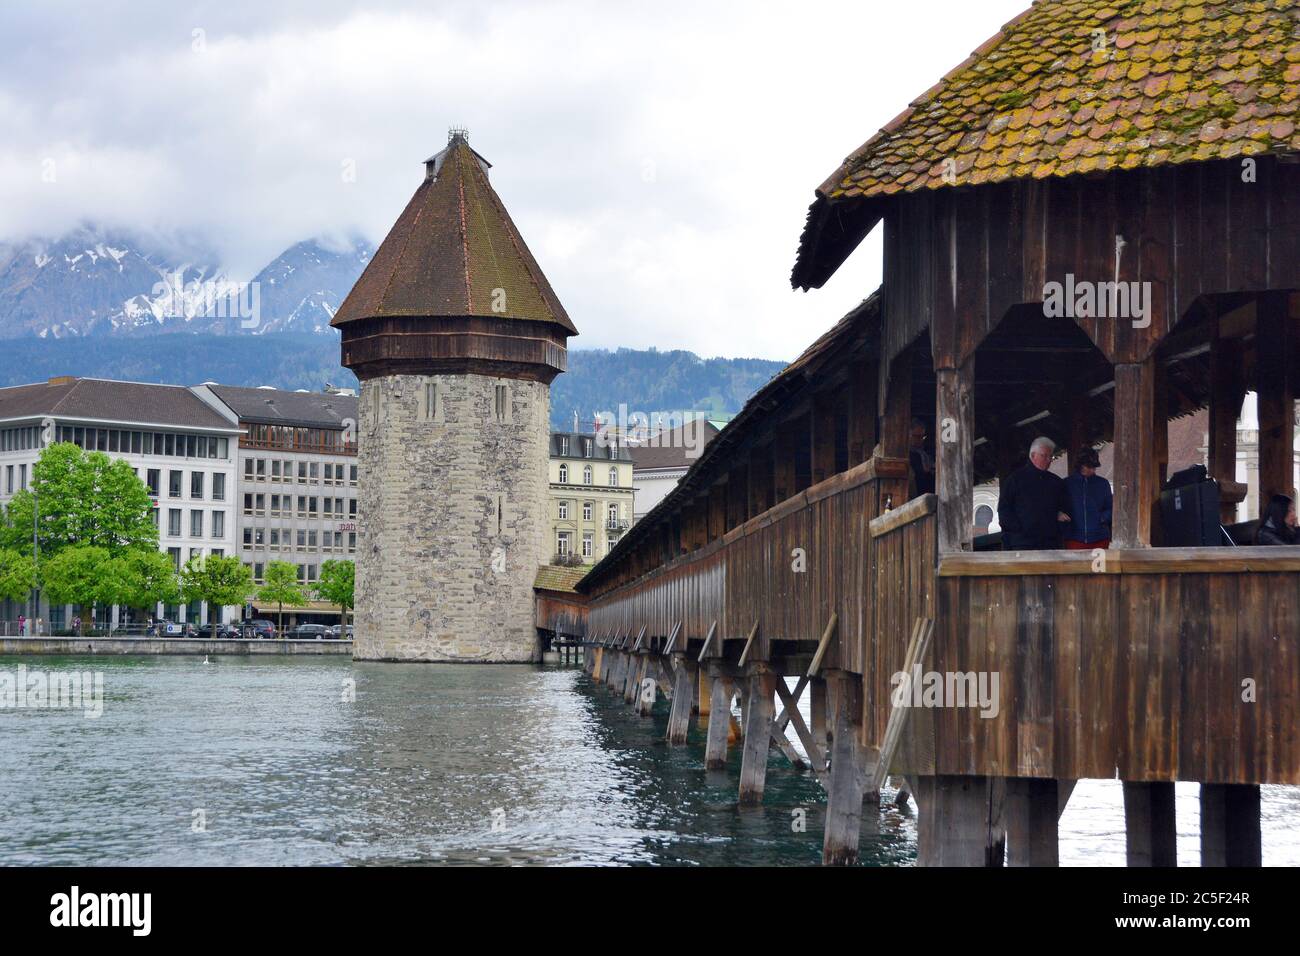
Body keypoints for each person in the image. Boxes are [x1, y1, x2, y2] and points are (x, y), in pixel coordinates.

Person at [997, 436, 1068, 550]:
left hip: (1050, 544)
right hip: (1021, 544)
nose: (1048, 459)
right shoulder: (1015, 480)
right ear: (1032, 455)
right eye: (1044, 456)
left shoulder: (1056, 482)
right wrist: (1019, 531)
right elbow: (1004, 511)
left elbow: (1064, 510)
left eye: (1050, 456)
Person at [1061, 447, 1113, 549]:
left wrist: (1102, 518)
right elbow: (1058, 506)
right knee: (1075, 565)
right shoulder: (1066, 484)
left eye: (1094, 467)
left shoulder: (1103, 483)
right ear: (1080, 465)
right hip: (1074, 538)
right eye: (1089, 467)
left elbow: (1111, 508)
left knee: (1100, 565)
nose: (1092, 470)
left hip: (1100, 538)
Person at [909, 417, 936, 496]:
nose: (920, 440)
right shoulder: (906, 454)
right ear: (908, 435)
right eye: (917, 436)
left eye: (922, 437)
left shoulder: (925, 454)